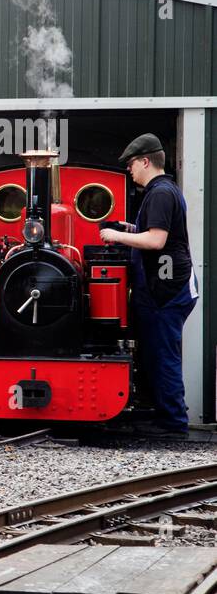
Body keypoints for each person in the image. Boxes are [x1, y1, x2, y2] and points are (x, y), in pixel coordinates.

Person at [100, 133, 198, 435]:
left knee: (163, 354)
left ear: (145, 161)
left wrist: (115, 236)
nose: (129, 169)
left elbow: (157, 240)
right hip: (164, 288)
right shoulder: (163, 191)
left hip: (166, 291)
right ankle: (163, 414)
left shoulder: (160, 193)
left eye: (131, 164)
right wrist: (131, 228)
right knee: (157, 353)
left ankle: (173, 422)